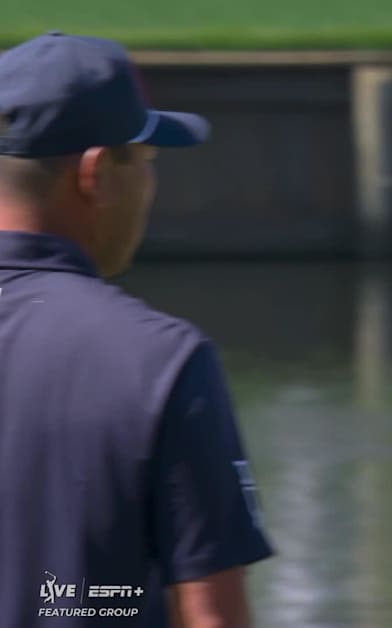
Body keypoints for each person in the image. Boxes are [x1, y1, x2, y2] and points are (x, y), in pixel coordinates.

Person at [0, 32, 272, 627]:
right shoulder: (159, 360)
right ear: (95, 173)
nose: (151, 185)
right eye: (146, 161)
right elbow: (211, 618)